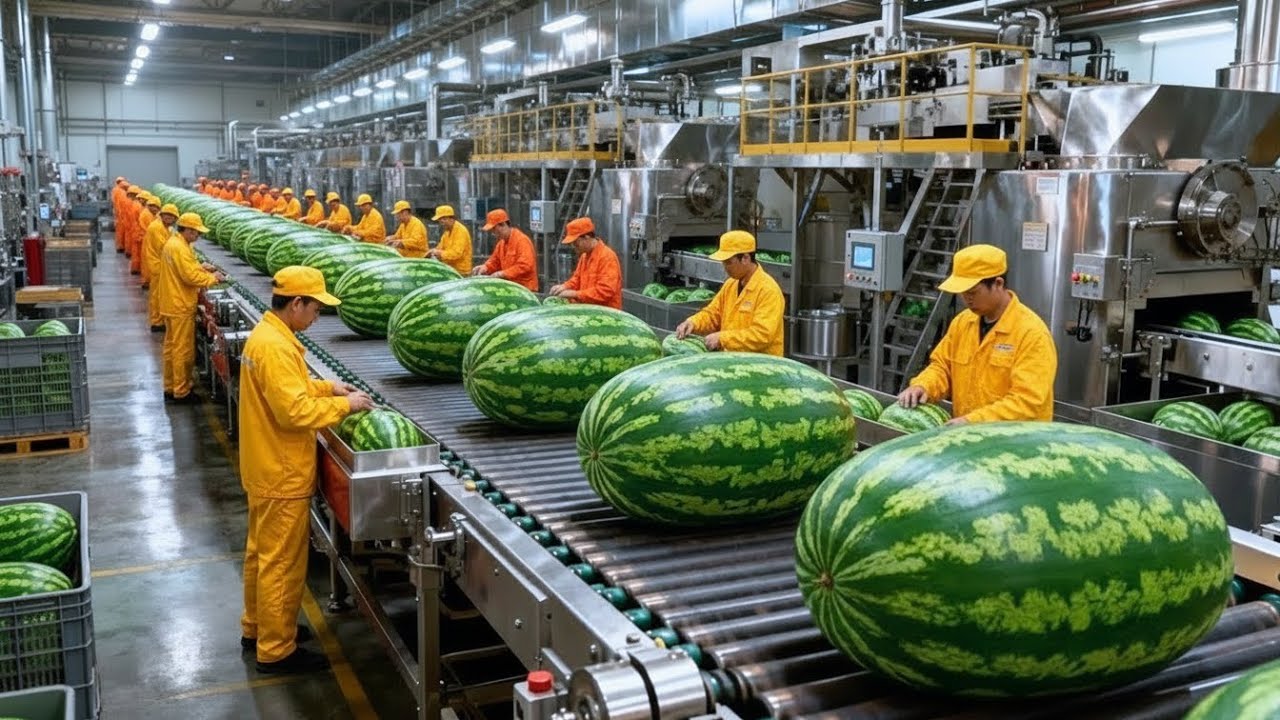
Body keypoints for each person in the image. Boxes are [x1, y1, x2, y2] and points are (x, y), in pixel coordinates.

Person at [238, 266, 374, 674]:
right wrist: (344, 407)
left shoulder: (271, 337)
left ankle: (257, 627)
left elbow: (290, 387)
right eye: (315, 308)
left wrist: (329, 387)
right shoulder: (276, 347)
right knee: (282, 562)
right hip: (281, 473)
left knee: (260, 555)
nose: (317, 317)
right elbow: (293, 410)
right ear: (296, 303)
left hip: (264, 465)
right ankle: (276, 650)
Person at [897, 244, 1057, 425]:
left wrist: (971, 421)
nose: (966, 299)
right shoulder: (963, 323)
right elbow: (942, 366)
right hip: (971, 440)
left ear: (998, 284)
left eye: (972, 292)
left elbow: (1027, 403)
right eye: (963, 293)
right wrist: (923, 385)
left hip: (1016, 445)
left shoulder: (1031, 334)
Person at [675, 230, 785, 355]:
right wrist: (693, 323)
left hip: (762, 366)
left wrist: (723, 339)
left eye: (728, 262)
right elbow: (713, 314)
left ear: (745, 258)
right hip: (734, 361)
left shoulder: (768, 290)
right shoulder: (730, 284)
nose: (725, 268)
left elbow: (762, 335)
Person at [158, 213, 226, 403]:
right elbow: (190, 277)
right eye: (197, 232)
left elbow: (186, 268)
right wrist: (213, 279)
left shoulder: (177, 244)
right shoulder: (178, 247)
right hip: (179, 304)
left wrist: (200, 267)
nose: (199, 236)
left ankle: (170, 386)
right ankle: (182, 392)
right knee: (182, 350)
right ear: (187, 230)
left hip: (171, 302)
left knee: (171, 347)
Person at [548, 217, 621, 310]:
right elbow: (576, 279)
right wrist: (565, 286)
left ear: (587, 237)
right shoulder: (584, 256)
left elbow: (605, 292)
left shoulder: (607, 257)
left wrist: (574, 294)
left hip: (605, 313)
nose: (573, 246)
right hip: (589, 310)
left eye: (575, 243)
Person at [471, 209, 537, 291]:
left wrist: (502, 274)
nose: (493, 233)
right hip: (512, 288)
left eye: (494, 229)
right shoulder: (501, 243)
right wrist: (485, 267)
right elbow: (494, 261)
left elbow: (525, 266)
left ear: (503, 224)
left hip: (526, 289)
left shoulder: (521, 241)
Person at [143, 203, 180, 331]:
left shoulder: (164, 227)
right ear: (162, 215)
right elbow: (164, 247)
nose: (170, 218)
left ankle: (160, 319)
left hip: (161, 265)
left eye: (173, 216)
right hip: (158, 266)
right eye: (168, 215)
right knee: (157, 295)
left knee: (160, 294)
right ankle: (157, 322)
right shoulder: (157, 227)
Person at [426, 205, 471, 273]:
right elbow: (440, 247)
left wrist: (439, 253)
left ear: (452, 219)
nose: (441, 222)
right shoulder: (447, 232)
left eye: (444, 219)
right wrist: (432, 252)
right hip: (450, 269)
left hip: (461, 272)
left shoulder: (460, 231)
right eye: (440, 220)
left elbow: (456, 254)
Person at [133, 194, 160, 277]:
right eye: (151, 206)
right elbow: (150, 229)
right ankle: (146, 280)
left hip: (144, 238)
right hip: (145, 238)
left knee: (144, 259)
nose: (155, 209)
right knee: (146, 260)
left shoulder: (150, 213)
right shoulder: (147, 214)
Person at [111, 177, 129, 252]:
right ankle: (121, 246)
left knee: (119, 231)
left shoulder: (115, 190)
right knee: (122, 231)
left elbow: (113, 201)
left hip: (118, 214)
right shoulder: (123, 193)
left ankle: (120, 246)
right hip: (122, 215)